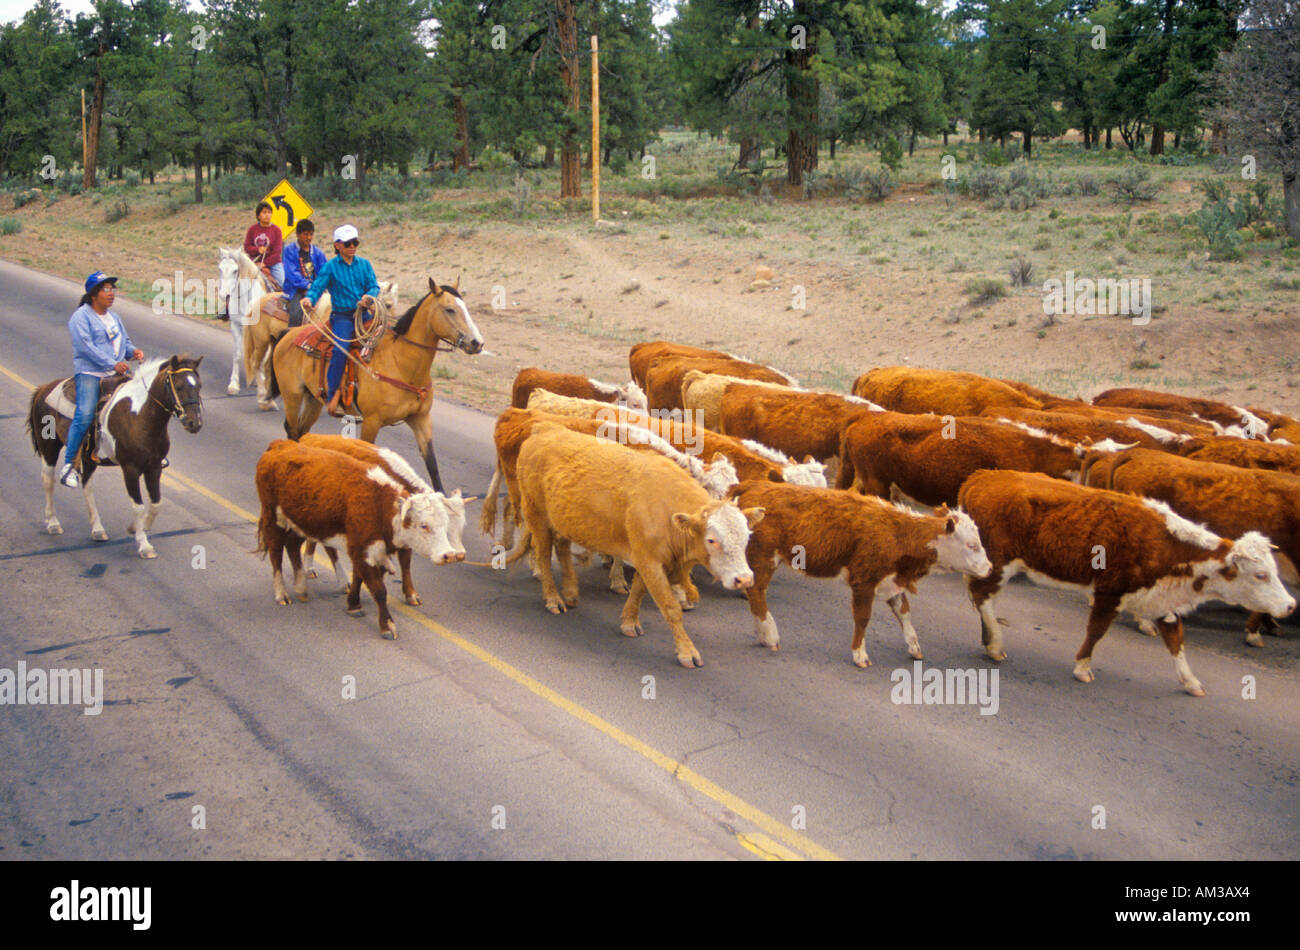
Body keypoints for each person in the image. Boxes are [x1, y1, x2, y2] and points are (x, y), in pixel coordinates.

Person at [58, 272, 144, 488]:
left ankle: (147, 452)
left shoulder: (115, 318)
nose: (111, 294)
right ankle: (69, 465)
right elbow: (86, 347)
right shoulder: (81, 317)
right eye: (106, 289)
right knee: (85, 414)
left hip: (116, 374)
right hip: (91, 374)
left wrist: (133, 352)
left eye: (112, 289)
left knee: (143, 402)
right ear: (94, 294)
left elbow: (124, 343)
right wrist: (111, 364)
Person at [304, 224, 379, 417]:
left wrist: (369, 297)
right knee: (340, 350)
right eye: (348, 243)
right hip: (343, 317)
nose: (353, 246)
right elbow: (317, 287)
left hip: (364, 315)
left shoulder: (365, 264)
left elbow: (373, 286)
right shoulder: (330, 267)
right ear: (338, 245)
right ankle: (332, 396)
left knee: (385, 341)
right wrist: (309, 299)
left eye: (355, 242)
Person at [281, 218, 327, 328]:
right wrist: (307, 285)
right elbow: (291, 273)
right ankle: (292, 334)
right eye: (305, 234)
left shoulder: (318, 252)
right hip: (296, 288)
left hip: (316, 287)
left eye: (311, 234)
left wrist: (321, 285)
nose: (309, 238)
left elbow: (324, 271)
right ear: (297, 234)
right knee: (296, 313)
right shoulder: (289, 250)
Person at [243, 201, 284, 288]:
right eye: (264, 212)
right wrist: (257, 249)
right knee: (242, 282)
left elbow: (277, 251)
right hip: (254, 262)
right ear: (258, 215)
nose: (267, 215)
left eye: (269, 212)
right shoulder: (252, 229)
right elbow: (247, 247)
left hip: (273, 264)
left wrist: (265, 263)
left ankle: (284, 300)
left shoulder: (276, 230)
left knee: (281, 282)